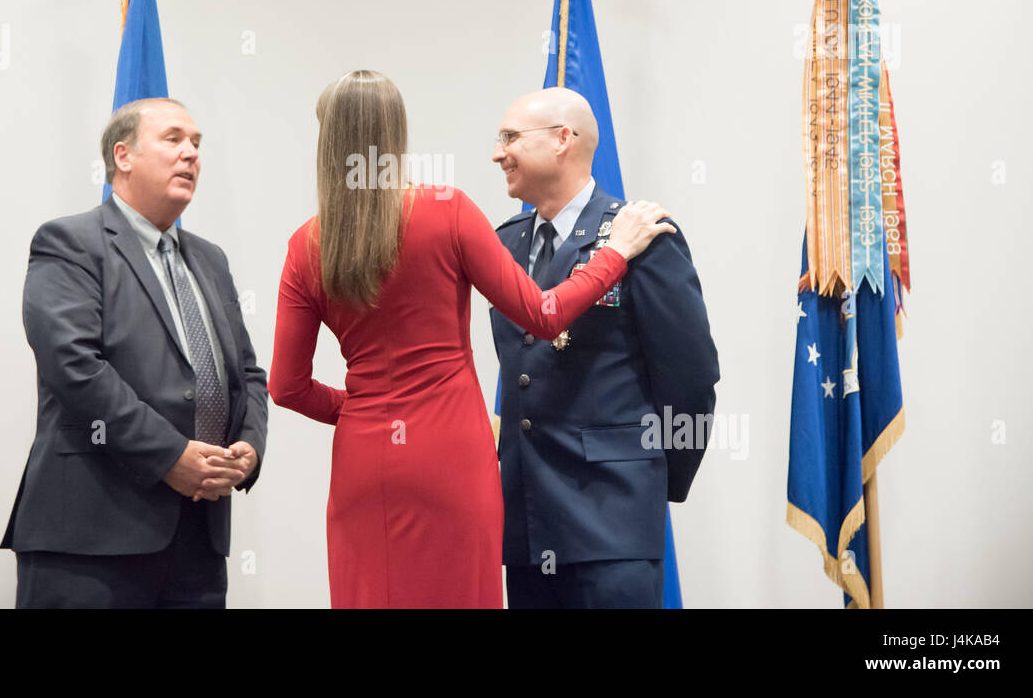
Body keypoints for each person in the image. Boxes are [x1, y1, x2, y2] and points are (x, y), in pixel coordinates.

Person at [267, 70, 675, 608]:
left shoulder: (306, 245)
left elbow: (286, 386)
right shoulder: (446, 209)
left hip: (363, 460)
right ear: (395, 136)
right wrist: (613, 255)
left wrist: (363, 408)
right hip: (450, 452)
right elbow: (545, 314)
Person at [0, 98, 269, 608]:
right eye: (174, 139)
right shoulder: (70, 243)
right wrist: (170, 455)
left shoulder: (211, 260)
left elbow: (248, 375)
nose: (191, 154)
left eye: (196, 144)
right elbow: (74, 367)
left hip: (198, 542)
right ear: (123, 156)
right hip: (91, 540)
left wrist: (247, 448)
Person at [489, 87, 720, 608]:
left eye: (510, 138)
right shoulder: (505, 243)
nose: (498, 153)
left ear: (562, 140)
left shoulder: (642, 237)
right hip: (527, 525)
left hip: (611, 523)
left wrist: (650, 478)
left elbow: (691, 378)